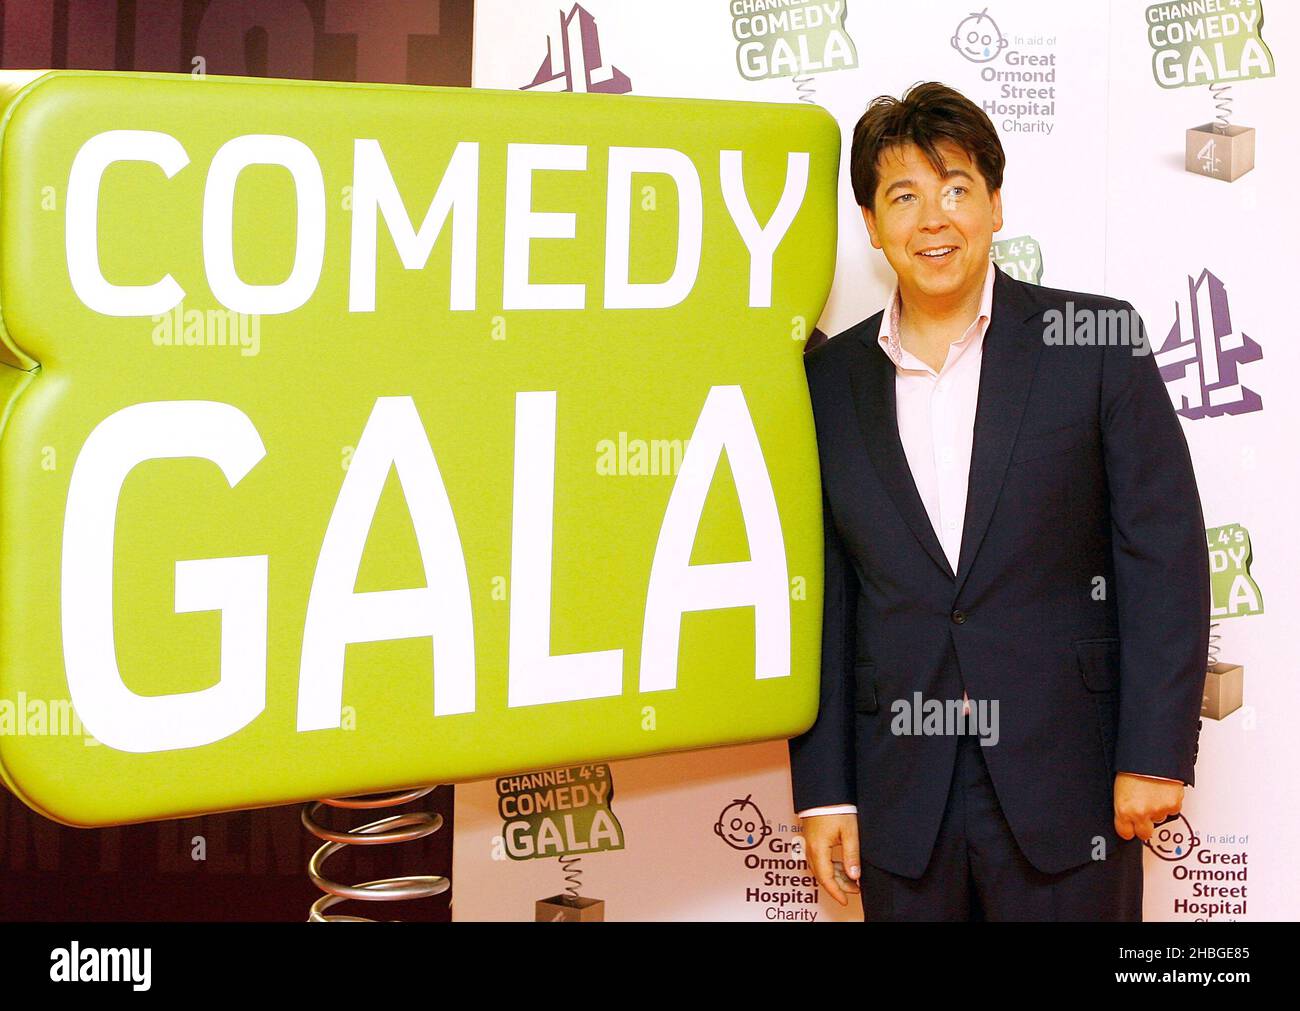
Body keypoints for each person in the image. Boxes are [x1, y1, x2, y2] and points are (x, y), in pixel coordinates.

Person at [787, 81, 1209, 921]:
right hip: (900, 792)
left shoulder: (1095, 344)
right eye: (902, 196)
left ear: (995, 203)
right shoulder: (825, 384)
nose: (932, 219)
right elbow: (825, 595)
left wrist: (1155, 753)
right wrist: (826, 790)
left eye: (955, 189)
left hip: (1072, 784)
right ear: (872, 225)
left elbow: (1163, 557)